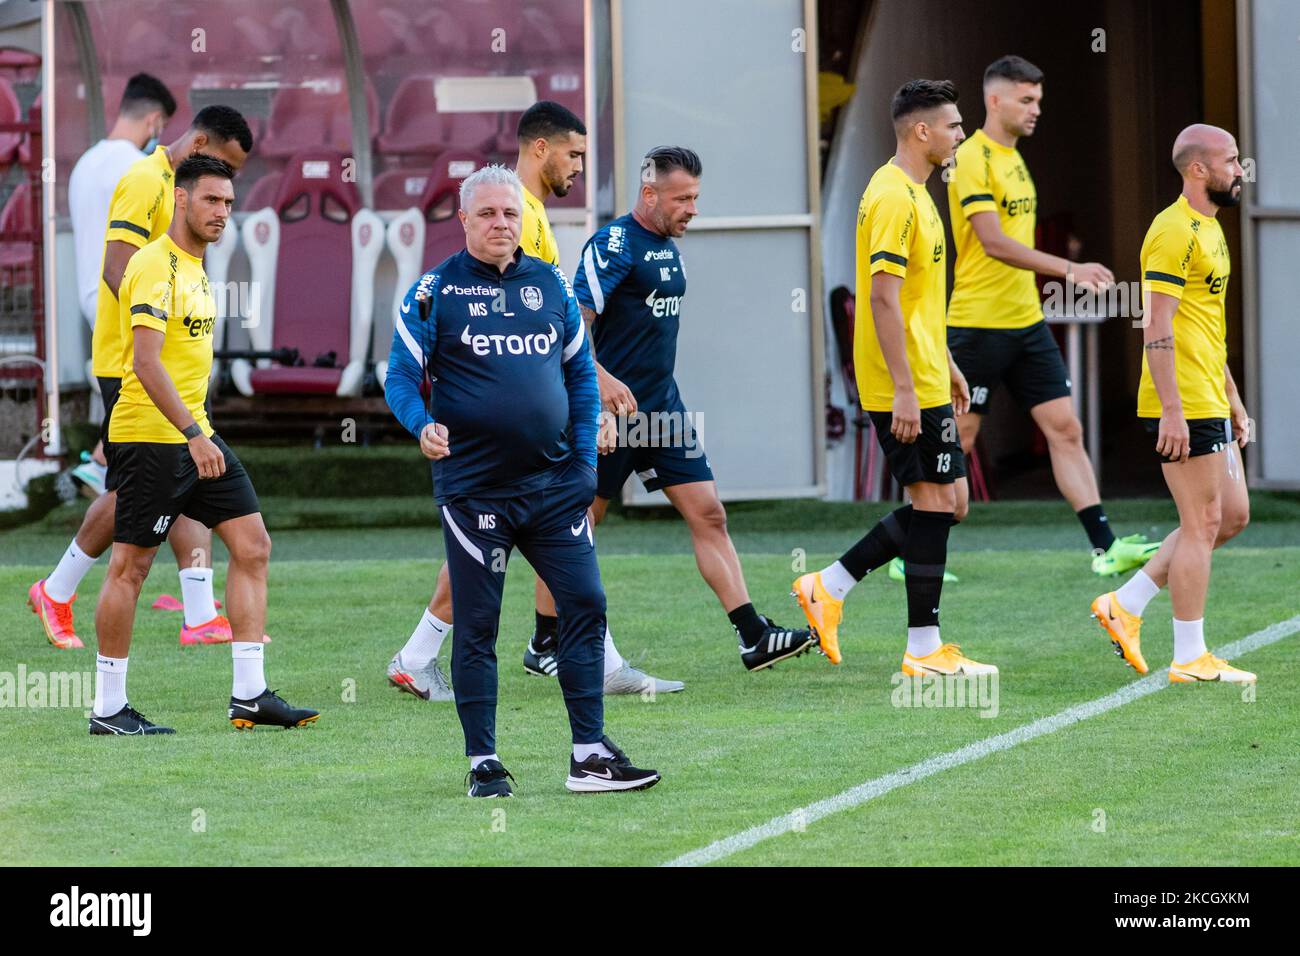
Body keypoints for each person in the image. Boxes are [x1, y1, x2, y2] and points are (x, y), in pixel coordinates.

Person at [386, 101, 679, 700]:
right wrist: (597, 388)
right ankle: (542, 696)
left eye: (506, 215)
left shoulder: (532, 216)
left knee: (528, 542)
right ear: (540, 149)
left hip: (535, 439)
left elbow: (552, 329)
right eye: (573, 153)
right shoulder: (519, 222)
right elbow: (542, 340)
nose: (579, 165)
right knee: (511, 544)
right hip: (494, 445)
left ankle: (552, 654)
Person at [89, 155, 319, 734]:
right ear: (182, 200)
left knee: (252, 544)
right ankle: (108, 709)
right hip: (153, 439)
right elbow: (142, 364)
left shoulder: (196, 268)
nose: (222, 212)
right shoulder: (153, 267)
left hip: (193, 434)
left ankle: (249, 695)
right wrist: (193, 434)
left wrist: (199, 431)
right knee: (130, 570)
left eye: (229, 203)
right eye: (212, 200)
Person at [573, 146, 815, 673]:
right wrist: (599, 384)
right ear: (649, 193)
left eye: (696, 198)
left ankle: (753, 636)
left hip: (661, 407)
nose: (692, 208)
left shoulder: (668, 244)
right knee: (579, 524)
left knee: (709, 513)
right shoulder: (614, 243)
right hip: (611, 412)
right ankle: (548, 643)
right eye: (682, 198)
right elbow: (574, 322)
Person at [28, 106, 254, 651]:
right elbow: (117, 268)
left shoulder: (175, 194)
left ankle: (192, 611)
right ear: (200, 142)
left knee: (168, 481)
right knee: (149, 487)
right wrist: (149, 338)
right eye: (221, 167)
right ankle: (63, 593)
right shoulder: (143, 181)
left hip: (165, 362)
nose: (225, 191)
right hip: (128, 360)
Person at [793, 80, 996, 676]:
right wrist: (905, 389)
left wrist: (948, 365)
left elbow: (914, 302)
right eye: (955, 125)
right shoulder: (892, 198)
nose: (962, 135)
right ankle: (923, 648)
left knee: (951, 503)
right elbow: (880, 301)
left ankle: (828, 586)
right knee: (933, 504)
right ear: (922, 131)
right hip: (899, 384)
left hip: (929, 374)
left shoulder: (918, 192)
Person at [946, 54, 1157, 577]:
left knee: (1066, 430)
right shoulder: (972, 158)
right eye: (1026, 99)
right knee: (959, 439)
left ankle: (1104, 546)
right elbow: (992, 243)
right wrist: (1069, 268)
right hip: (976, 325)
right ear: (994, 100)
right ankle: (912, 548)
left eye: (1039, 99)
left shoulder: (1016, 157)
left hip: (1025, 324)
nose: (1037, 109)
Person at [1090, 124, 1254, 684]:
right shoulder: (1172, 230)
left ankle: (1125, 605)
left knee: (1231, 517)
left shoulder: (1212, 229)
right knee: (1202, 520)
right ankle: (1189, 656)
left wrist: (1232, 397)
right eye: (1232, 160)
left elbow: (1203, 329)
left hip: (1209, 392)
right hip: (1181, 399)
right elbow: (1156, 325)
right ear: (1198, 170)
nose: (1240, 169)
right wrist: (1172, 410)